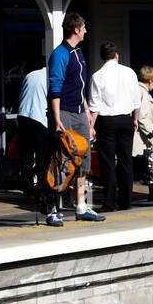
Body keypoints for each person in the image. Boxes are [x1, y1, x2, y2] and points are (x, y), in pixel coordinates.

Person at [46, 12, 104, 226]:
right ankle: (52, 207)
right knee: (62, 160)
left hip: (80, 111)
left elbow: (79, 88)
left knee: (84, 159)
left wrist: (88, 115)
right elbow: (55, 87)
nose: (87, 30)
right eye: (84, 27)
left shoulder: (78, 52)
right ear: (77, 30)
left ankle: (81, 205)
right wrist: (56, 117)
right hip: (65, 112)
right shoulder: (60, 54)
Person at [88, 41, 140, 212]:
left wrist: (91, 127)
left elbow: (94, 106)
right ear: (116, 55)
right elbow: (136, 100)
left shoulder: (98, 76)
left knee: (108, 162)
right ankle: (126, 201)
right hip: (126, 119)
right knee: (126, 161)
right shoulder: (129, 72)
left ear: (102, 57)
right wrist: (135, 119)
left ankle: (110, 202)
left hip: (106, 121)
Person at [16, 58, 48, 197]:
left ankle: (27, 186)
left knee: (26, 155)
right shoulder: (52, 77)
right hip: (40, 117)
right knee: (42, 155)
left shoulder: (30, 76)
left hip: (24, 116)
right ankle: (42, 186)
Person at [133, 65, 153, 201]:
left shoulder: (136, 90)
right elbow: (142, 117)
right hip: (141, 136)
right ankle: (152, 192)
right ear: (150, 80)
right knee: (147, 164)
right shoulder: (142, 93)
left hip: (140, 135)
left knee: (146, 165)